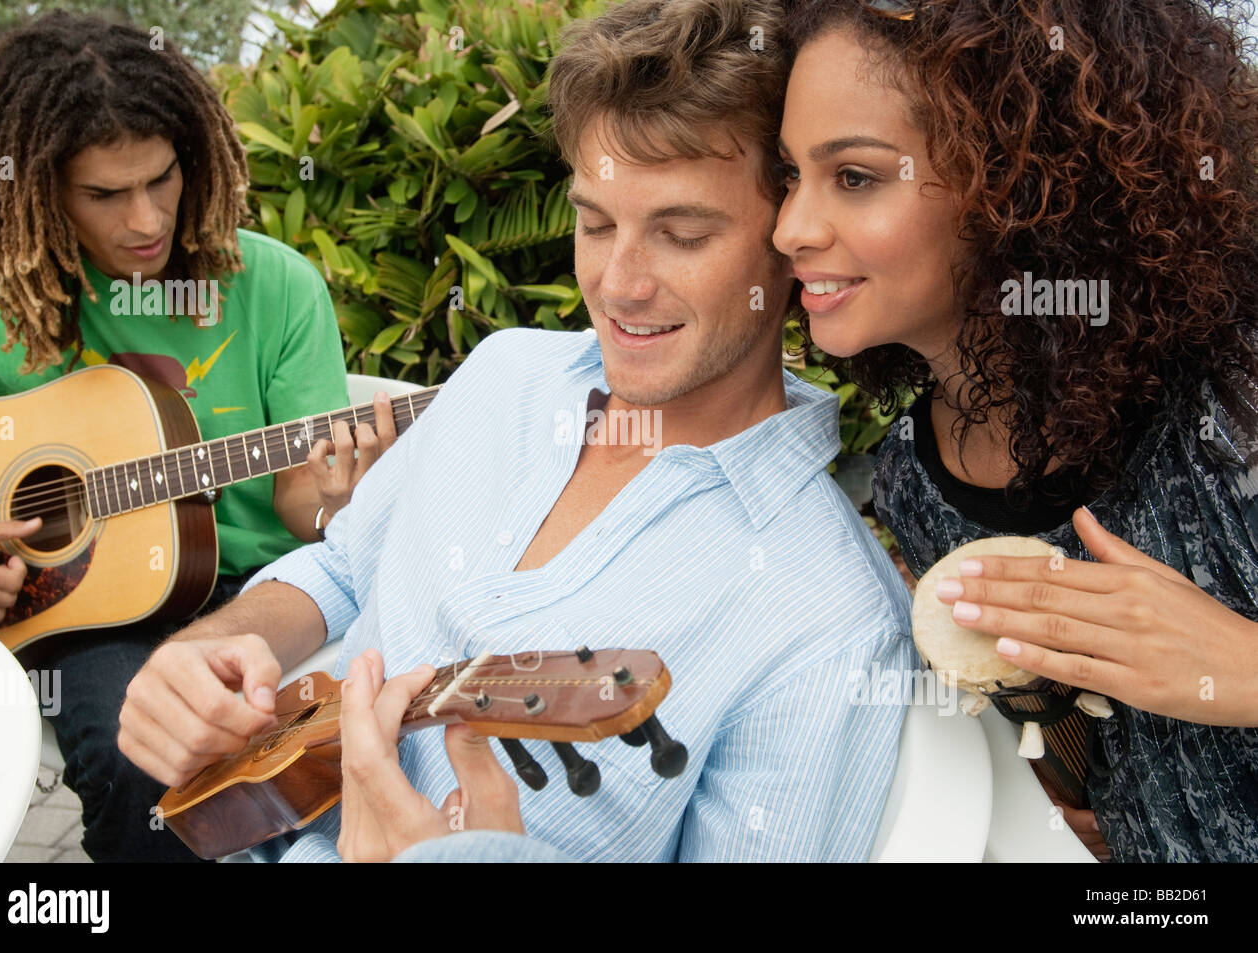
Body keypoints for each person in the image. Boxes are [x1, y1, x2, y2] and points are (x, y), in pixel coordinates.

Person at [119, 0, 917, 863]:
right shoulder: (504, 374)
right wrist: (208, 653)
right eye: (596, 222)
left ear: (789, 240)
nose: (618, 285)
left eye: (682, 235)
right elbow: (346, 563)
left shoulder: (826, 619)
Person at [773, 0, 1258, 862]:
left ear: (1021, 180)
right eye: (789, 176)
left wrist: (1239, 665)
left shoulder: (1234, 398)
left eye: (854, 176)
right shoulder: (914, 483)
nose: (791, 230)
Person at [0, 11, 395, 861]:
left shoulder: (276, 287)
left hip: (251, 593)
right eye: (105, 194)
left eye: (162, 179)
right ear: (36, 190)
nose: (146, 219)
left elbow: (306, 513)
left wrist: (338, 500)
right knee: (136, 752)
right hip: (82, 612)